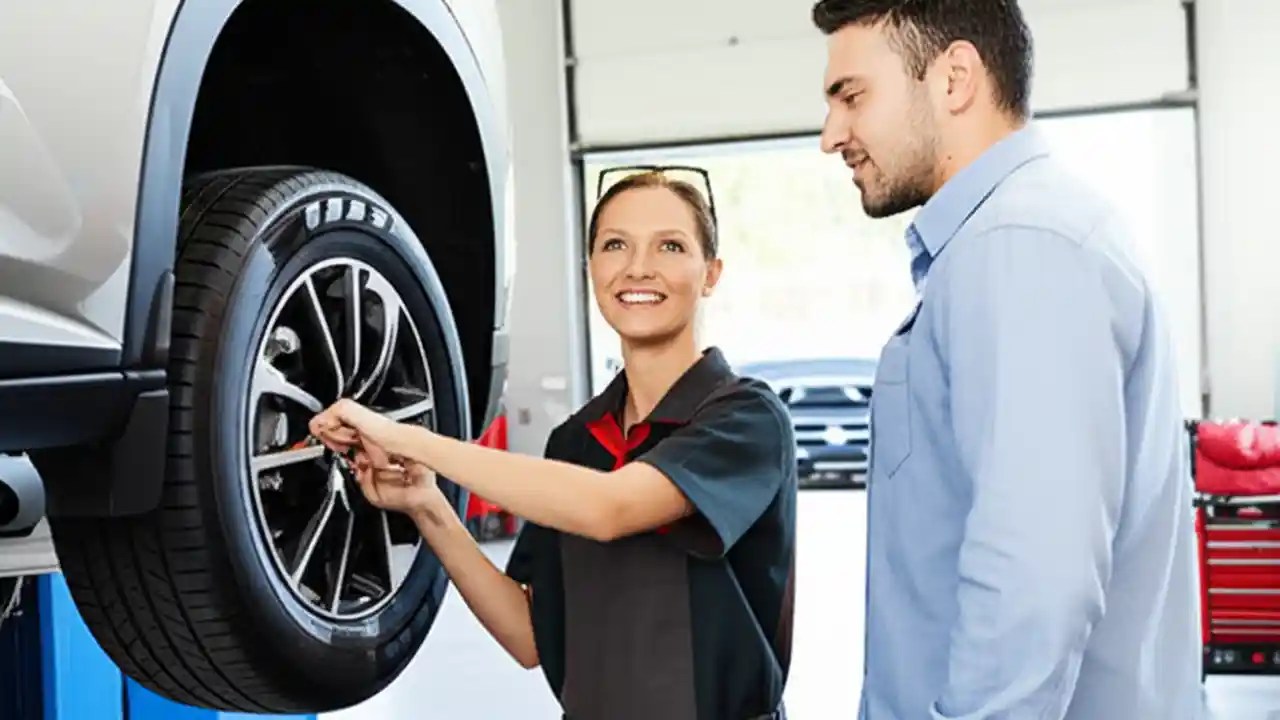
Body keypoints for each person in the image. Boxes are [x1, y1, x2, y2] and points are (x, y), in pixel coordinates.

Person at [811, 1, 1203, 719]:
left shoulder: (1021, 245)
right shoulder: (1006, 243)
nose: (832, 135)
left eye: (852, 96)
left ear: (955, 78)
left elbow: (1034, 584)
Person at [309, 169, 798, 720]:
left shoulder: (745, 418)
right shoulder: (575, 442)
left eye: (670, 245)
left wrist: (411, 439)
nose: (639, 267)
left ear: (710, 273)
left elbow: (610, 507)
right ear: (591, 269)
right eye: (615, 245)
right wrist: (427, 502)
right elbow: (527, 637)